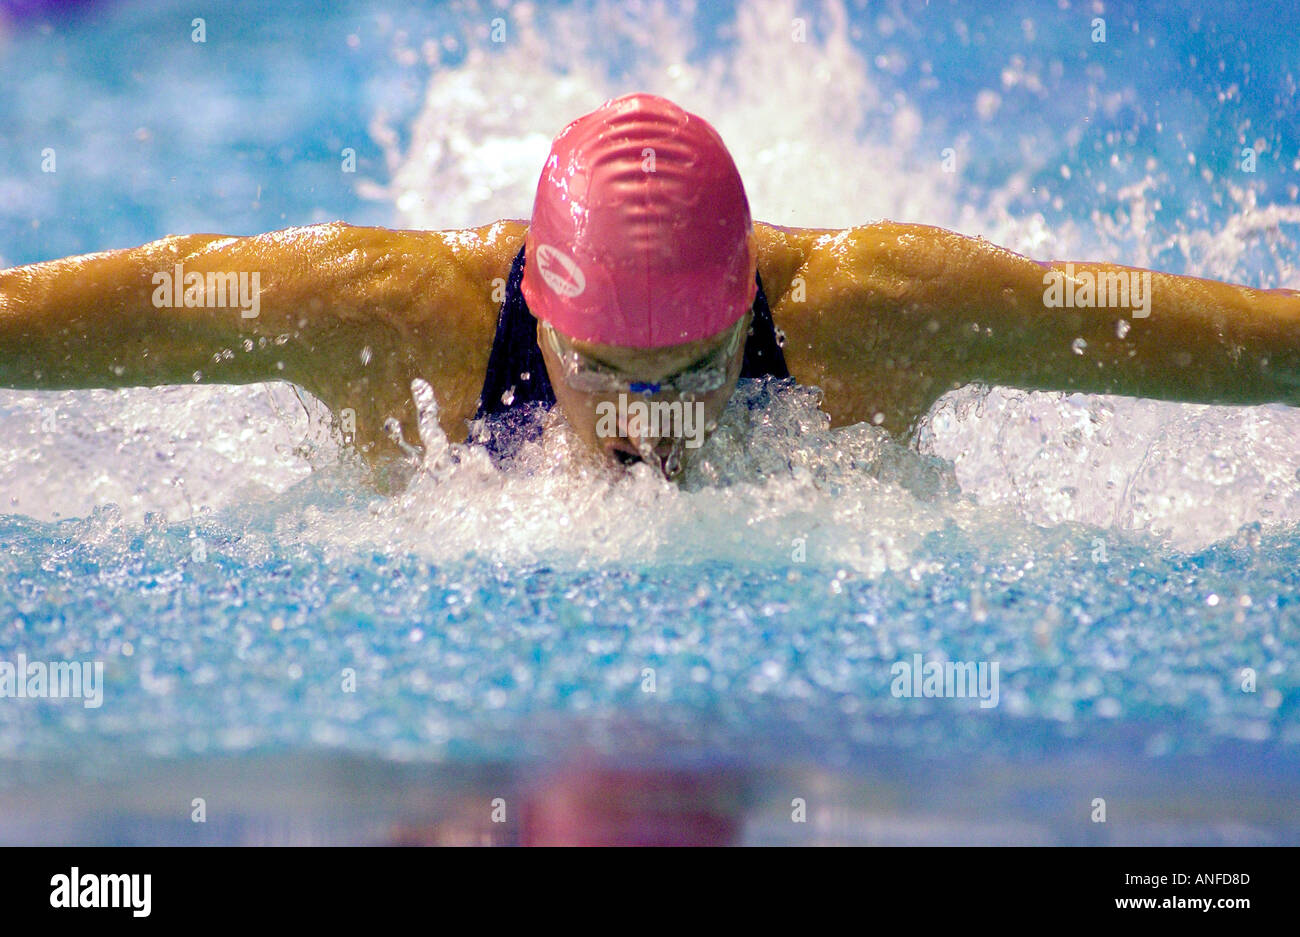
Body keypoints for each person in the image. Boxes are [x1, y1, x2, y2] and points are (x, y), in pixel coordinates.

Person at [2, 92, 1298, 488]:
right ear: (540, 319)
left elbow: (1222, 341)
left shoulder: (877, 310)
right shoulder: (393, 318)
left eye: (694, 373)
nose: (646, 425)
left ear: (747, 313)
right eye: (600, 374)